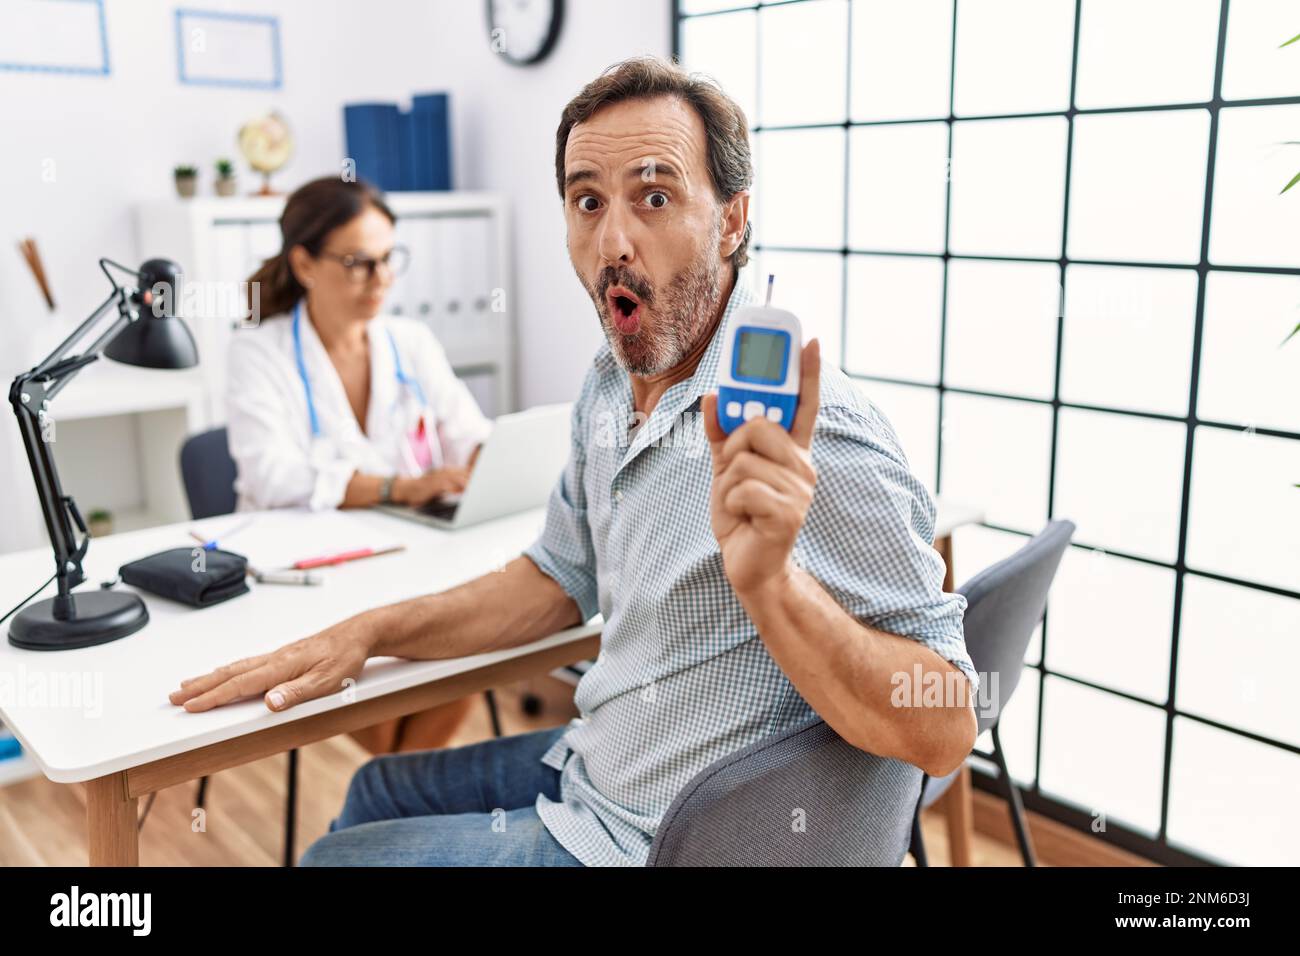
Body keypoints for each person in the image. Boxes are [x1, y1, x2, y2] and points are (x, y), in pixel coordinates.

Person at [171, 56, 979, 867]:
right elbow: (559, 576)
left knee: (331, 863)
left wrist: (773, 585)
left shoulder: (811, 428)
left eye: (655, 198)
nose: (612, 240)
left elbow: (945, 727)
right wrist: (372, 631)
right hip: (601, 762)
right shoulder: (607, 387)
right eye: (587, 201)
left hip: (665, 839)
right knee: (376, 790)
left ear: (732, 221)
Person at [226, 176, 491, 754]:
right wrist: (401, 485)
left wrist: (486, 460)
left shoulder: (410, 341)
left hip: (407, 553)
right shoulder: (258, 352)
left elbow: (469, 432)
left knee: (472, 638)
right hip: (303, 568)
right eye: (359, 263)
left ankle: (398, 801)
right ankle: (403, 798)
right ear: (304, 264)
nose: (383, 279)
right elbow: (272, 476)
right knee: (383, 682)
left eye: (389, 259)